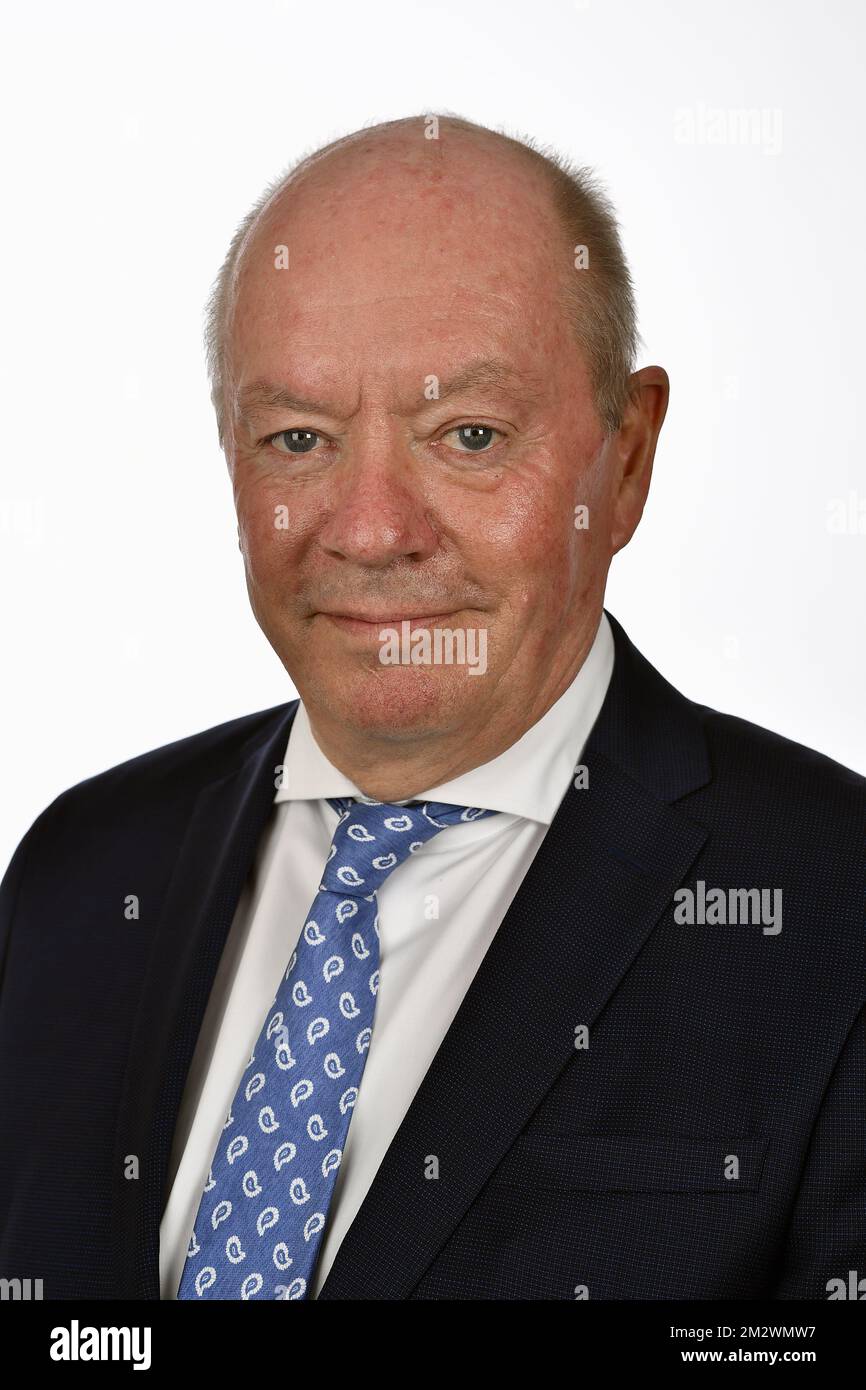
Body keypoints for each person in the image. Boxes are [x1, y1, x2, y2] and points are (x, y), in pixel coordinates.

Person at [1, 113, 863, 1301]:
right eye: (296, 437)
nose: (369, 530)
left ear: (623, 459)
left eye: (466, 436)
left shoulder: (833, 913)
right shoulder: (78, 872)